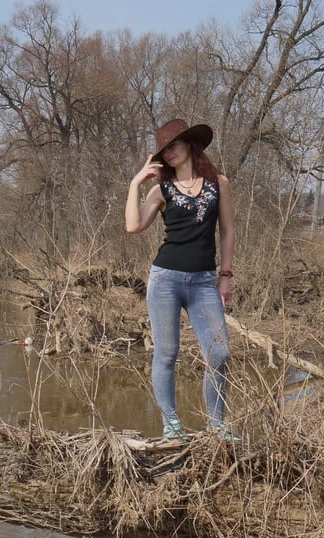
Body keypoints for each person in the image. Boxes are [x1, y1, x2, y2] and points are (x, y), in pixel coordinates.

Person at [124, 118, 238, 441]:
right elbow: (133, 225)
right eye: (164, 150)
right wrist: (135, 184)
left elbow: (228, 232)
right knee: (167, 352)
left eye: (173, 145)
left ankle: (217, 426)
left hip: (204, 282)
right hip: (165, 280)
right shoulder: (162, 189)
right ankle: (171, 425)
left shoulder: (219, 184)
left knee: (219, 353)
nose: (169, 153)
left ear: (189, 144)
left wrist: (225, 276)